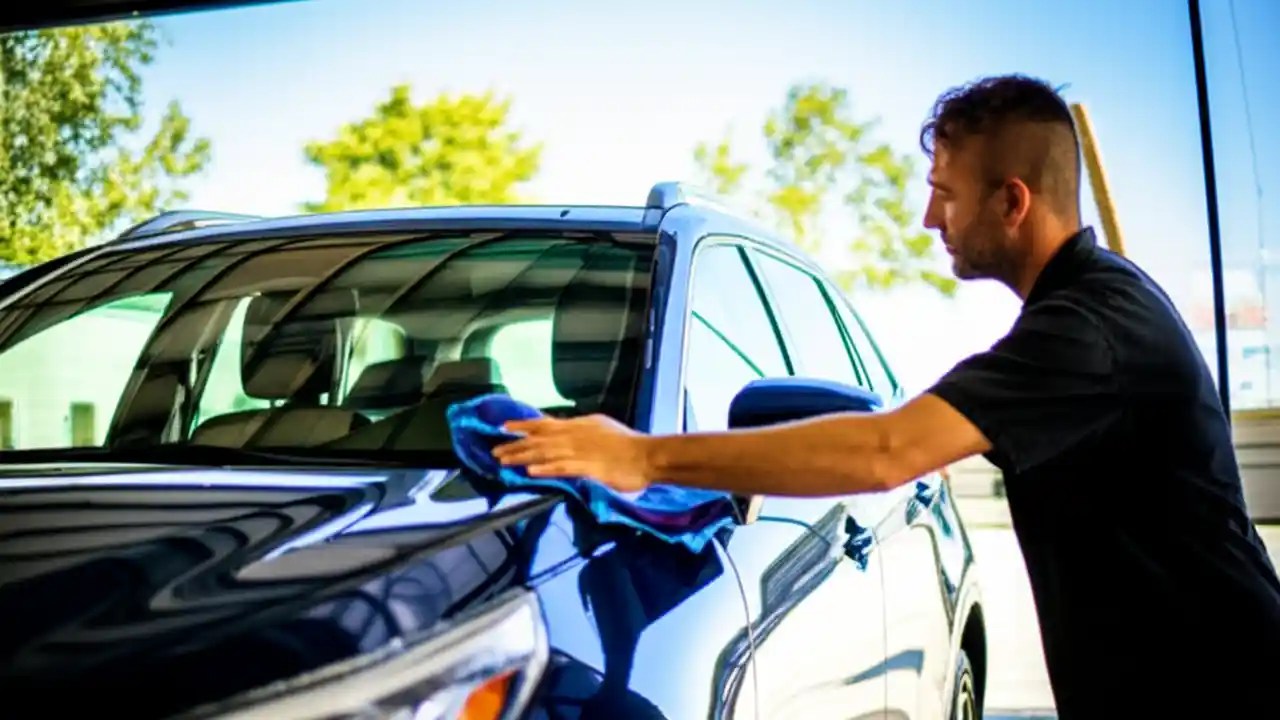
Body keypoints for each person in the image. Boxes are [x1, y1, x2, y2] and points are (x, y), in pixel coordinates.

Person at [493, 74, 1280, 717]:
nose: (928, 215)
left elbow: (885, 451)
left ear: (1012, 201)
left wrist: (641, 455)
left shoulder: (1087, 331)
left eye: (946, 193)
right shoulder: (1095, 305)